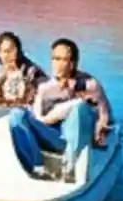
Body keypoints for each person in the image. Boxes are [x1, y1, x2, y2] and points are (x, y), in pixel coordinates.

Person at [8, 38, 114, 181]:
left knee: (79, 108)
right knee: (17, 115)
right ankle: (36, 167)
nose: (57, 64)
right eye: (55, 59)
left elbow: (105, 114)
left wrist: (100, 129)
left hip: (77, 137)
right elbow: (38, 117)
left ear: (73, 63)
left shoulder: (90, 84)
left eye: (63, 59)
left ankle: (70, 168)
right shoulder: (45, 87)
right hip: (55, 135)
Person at [0, 31, 46, 107]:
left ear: (17, 51)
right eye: (4, 51)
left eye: (10, 51)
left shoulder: (30, 70)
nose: (7, 55)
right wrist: (0, 81)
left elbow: (41, 91)